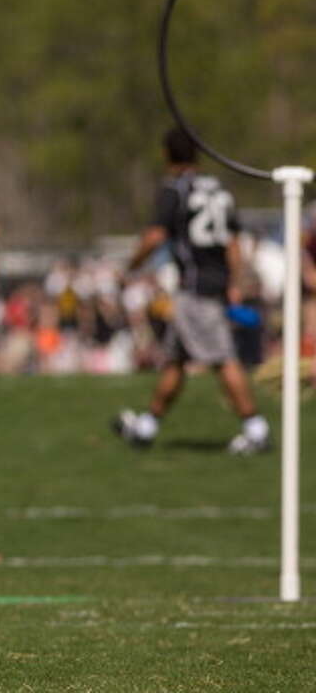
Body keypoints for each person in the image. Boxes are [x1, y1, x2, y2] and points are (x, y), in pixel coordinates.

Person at [113, 127, 270, 454]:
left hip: (195, 288)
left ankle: (256, 428)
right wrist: (234, 281)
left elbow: (156, 236)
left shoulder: (175, 190)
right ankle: (147, 426)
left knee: (222, 359)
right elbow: (232, 242)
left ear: (167, 155)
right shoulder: (219, 190)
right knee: (175, 361)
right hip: (210, 285)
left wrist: (130, 267)